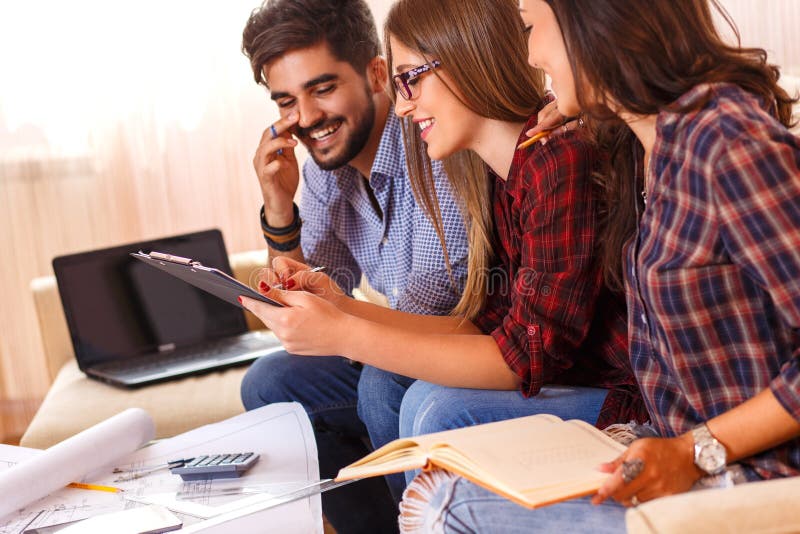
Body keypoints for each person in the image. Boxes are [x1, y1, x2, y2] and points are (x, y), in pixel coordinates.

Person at [397, 0, 800, 531]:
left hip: (751, 480)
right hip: (674, 452)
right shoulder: (648, 146)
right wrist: (597, 104)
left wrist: (694, 451)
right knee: (437, 479)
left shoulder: (724, 143)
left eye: (531, 28)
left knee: (442, 506)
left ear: (591, 24)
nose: (531, 53)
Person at [240, 0, 646, 512]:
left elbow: (517, 350)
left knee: (418, 400)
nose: (405, 105)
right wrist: (332, 299)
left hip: (607, 392)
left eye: (411, 79)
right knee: (277, 380)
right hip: (547, 368)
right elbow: (487, 324)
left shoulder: (517, 159)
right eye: (285, 101)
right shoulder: (503, 174)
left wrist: (342, 328)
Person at [237, 0, 469, 531]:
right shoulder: (326, 164)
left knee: (383, 384)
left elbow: (426, 311)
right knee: (270, 384)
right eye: (287, 101)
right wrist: (278, 207)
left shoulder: (434, 137)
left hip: (463, 345)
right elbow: (313, 302)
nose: (309, 119)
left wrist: (330, 316)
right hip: (400, 340)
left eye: (322, 89)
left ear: (376, 73)